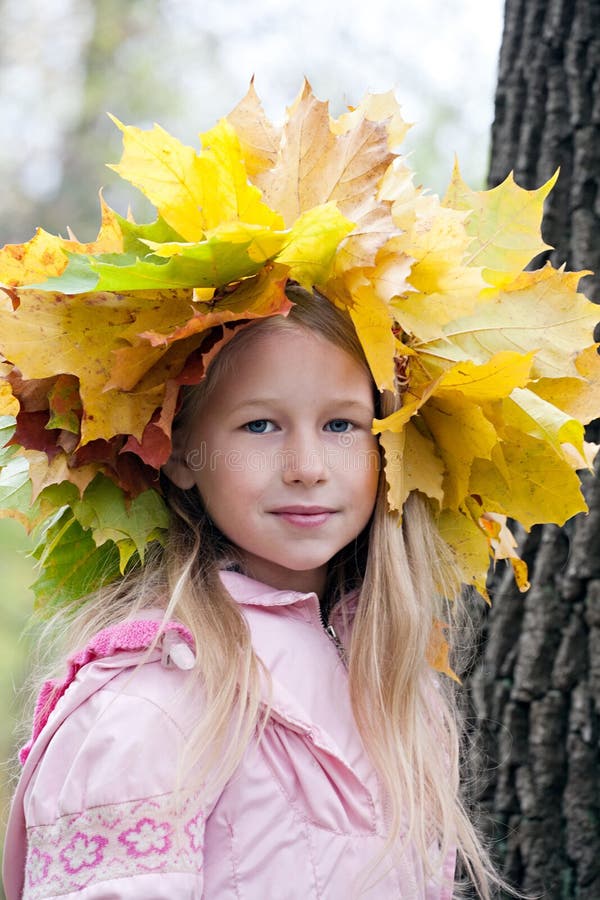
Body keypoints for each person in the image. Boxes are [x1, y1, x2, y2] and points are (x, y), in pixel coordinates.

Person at [2, 84, 596, 899]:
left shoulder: (394, 692)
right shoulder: (156, 703)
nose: (308, 467)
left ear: (397, 448)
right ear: (179, 453)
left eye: (344, 426)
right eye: (260, 426)